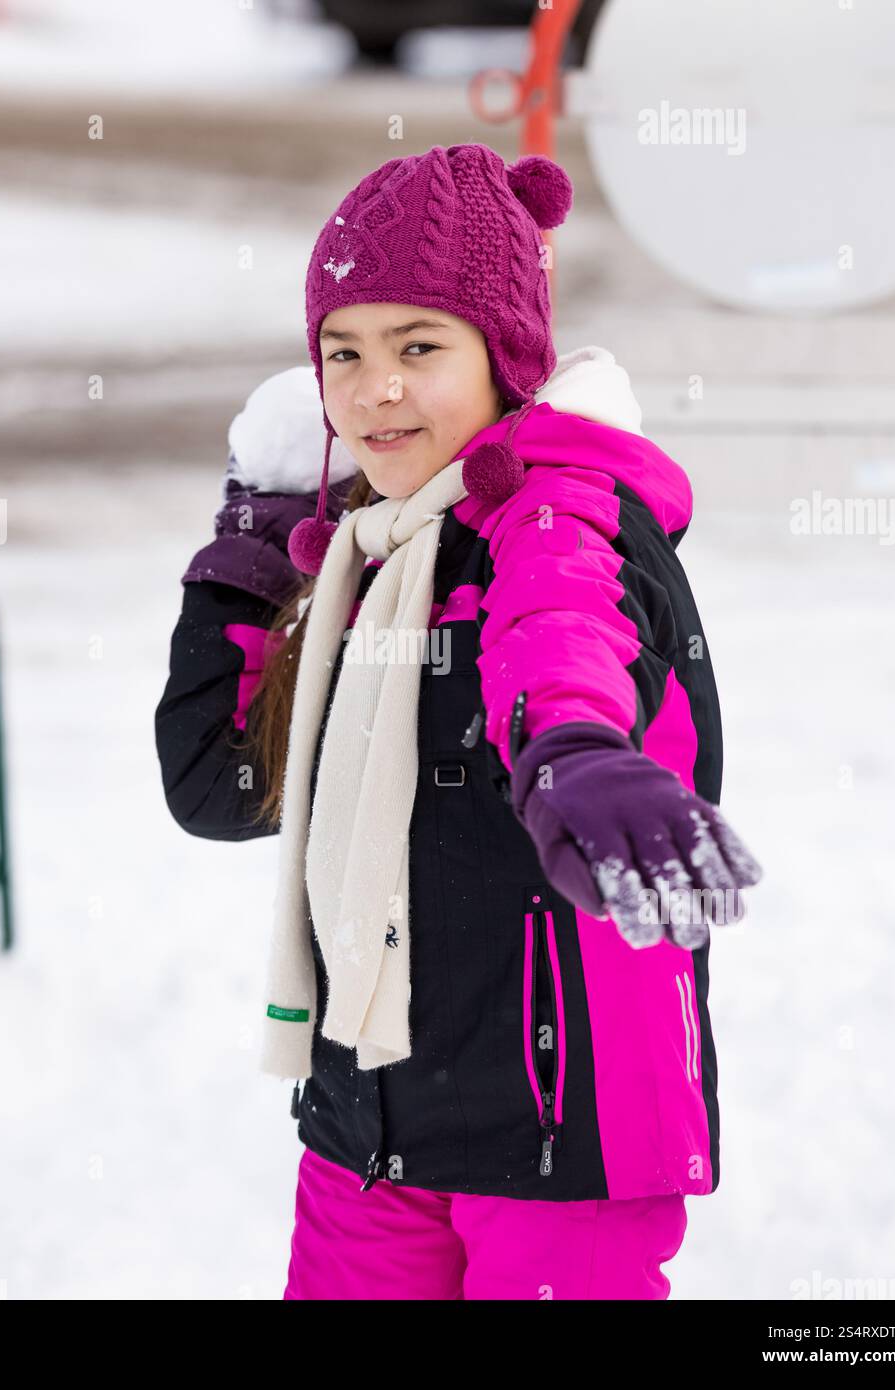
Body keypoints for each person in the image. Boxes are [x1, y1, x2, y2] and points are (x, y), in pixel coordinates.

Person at [155, 143, 764, 1300]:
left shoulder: (557, 513)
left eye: (419, 348)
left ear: (506, 357)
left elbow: (558, 635)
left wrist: (576, 749)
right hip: (371, 1113)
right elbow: (215, 782)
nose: (375, 388)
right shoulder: (355, 558)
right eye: (345, 353)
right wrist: (255, 534)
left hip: (553, 1120)